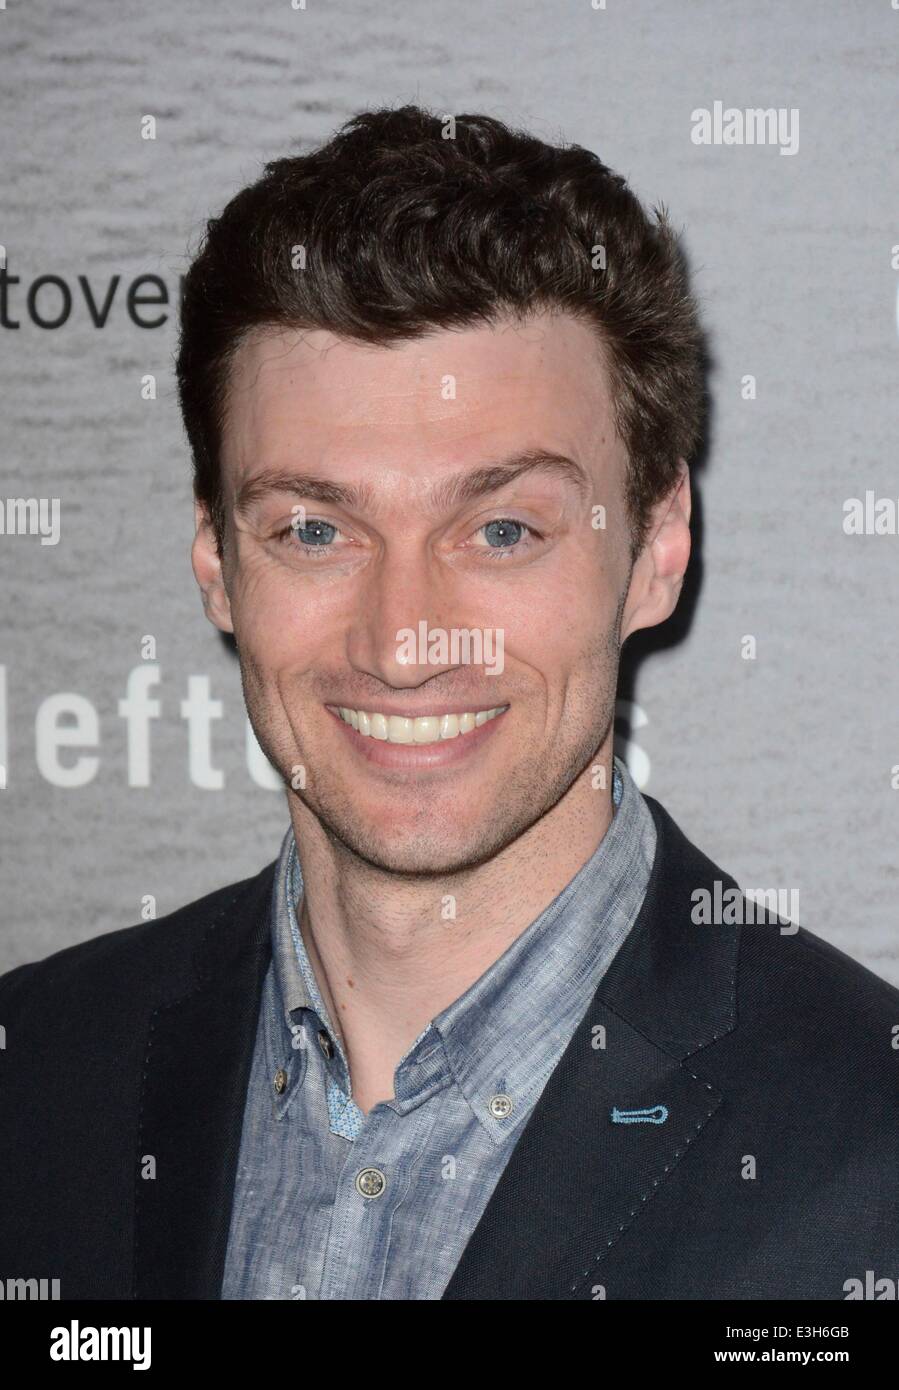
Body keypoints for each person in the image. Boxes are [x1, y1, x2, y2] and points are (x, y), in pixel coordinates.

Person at [0, 105, 895, 1301]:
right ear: (216, 558)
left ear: (656, 546)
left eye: (502, 529)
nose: (404, 640)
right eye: (314, 528)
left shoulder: (867, 1144)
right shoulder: (38, 1072)